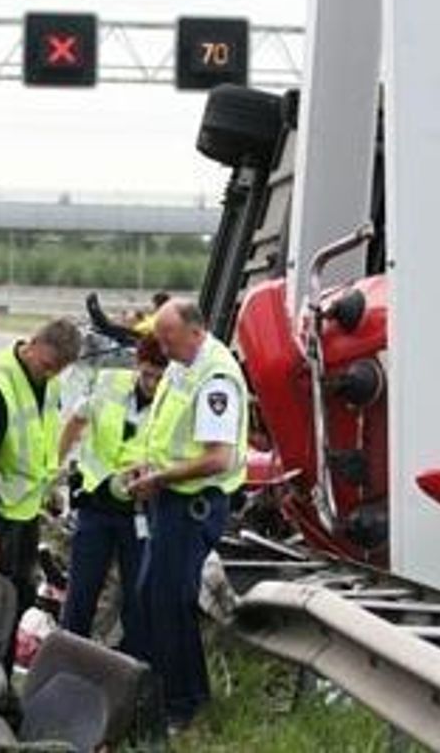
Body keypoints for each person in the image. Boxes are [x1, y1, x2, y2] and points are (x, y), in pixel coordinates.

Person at [127, 299, 248, 728]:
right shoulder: (182, 364)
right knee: (152, 596)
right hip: (169, 497)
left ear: (196, 332)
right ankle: (169, 695)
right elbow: (169, 431)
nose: (162, 348)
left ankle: (185, 703)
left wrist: (160, 478)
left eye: (169, 338)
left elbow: (218, 458)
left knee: (170, 600)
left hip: (192, 503)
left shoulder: (215, 379)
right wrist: (148, 465)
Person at [0, 318, 82, 674]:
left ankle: (1, 673)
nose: (50, 374)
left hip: (24, 510)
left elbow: (40, 440)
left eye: (58, 369)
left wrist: (48, 488)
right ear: (33, 343)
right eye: (47, 365)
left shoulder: (49, 382)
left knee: (20, 596)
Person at [58, 335, 169, 659]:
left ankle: (133, 667)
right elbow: (76, 421)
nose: (152, 384)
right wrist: (55, 467)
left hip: (140, 510)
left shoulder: (174, 402)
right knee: (82, 591)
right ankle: (66, 659)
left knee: (138, 594)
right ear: (138, 365)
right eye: (147, 374)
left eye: (159, 378)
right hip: (96, 504)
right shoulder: (109, 383)